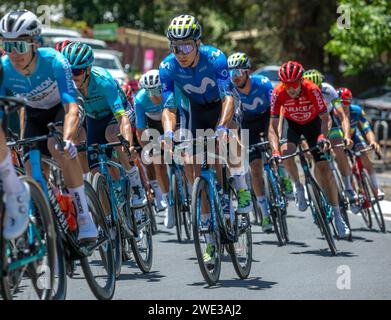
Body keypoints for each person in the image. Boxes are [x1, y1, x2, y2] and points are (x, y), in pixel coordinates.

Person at [160, 14, 253, 263]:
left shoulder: (215, 58)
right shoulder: (168, 67)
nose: (181, 52)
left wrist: (222, 126)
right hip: (197, 110)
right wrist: (168, 134)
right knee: (192, 162)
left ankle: (241, 185)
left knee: (229, 135)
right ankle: (207, 229)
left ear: (198, 43)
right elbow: (169, 107)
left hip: (222, 105)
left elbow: (228, 97)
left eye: (187, 46)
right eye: (176, 47)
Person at [0, 10, 97, 242]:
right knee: (32, 167)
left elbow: (71, 106)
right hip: (35, 113)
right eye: (7, 45)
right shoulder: (4, 68)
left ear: (35, 43)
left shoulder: (54, 60)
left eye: (20, 46)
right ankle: (49, 211)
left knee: (57, 147)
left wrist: (69, 138)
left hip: (63, 108)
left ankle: (84, 216)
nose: (14, 54)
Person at [268, 61, 350, 239]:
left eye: (294, 85)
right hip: (293, 125)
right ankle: (298, 186)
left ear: (301, 80)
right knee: (286, 151)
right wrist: (274, 150)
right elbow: (273, 127)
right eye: (286, 85)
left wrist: (322, 137)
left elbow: (326, 118)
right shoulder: (277, 92)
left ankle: (337, 215)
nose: (290, 89)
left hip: (313, 125)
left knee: (325, 170)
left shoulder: (312, 88)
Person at [60, 42, 147, 208]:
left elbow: (122, 118)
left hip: (116, 115)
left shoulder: (103, 81)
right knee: (96, 173)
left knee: (113, 136)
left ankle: (135, 183)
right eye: (68, 71)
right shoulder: (68, 85)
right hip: (93, 118)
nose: (72, 76)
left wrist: (127, 144)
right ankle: (109, 222)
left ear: (88, 69)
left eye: (77, 71)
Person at [227, 52, 274, 232]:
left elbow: (276, 111)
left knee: (278, 149)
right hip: (247, 124)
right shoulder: (231, 90)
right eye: (231, 73)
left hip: (266, 118)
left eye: (238, 72)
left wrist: (275, 136)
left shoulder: (262, 83)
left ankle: (284, 177)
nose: (235, 77)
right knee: (255, 168)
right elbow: (233, 122)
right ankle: (265, 214)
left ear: (247, 72)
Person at [303, 69, 358, 209]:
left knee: (339, 150)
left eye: (318, 88)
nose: (315, 91)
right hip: (311, 124)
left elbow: (342, 116)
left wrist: (346, 136)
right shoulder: (301, 94)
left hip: (329, 121)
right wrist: (304, 145)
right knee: (316, 159)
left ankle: (348, 187)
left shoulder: (329, 90)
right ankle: (322, 191)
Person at [134, 70, 172, 226]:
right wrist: (147, 148)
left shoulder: (170, 93)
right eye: (149, 91)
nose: (154, 95)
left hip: (172, 120)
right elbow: (140, 129)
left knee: (185, 154)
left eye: (157, 90)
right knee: (158, 162)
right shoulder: (140, 99)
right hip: (153, 126)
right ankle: (168, 201)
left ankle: (188, 186)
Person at [337, 87, 384, 200]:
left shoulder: (357, 110)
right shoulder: (333, 114)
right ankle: (351, 190)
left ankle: (376, 187)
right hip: (338, 138)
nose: (345, 106)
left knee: (364, 156)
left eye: (347, 102)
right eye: (342, 103)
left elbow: (367, 129)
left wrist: (373, 141)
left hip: (353, 136)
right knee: (344, 163)